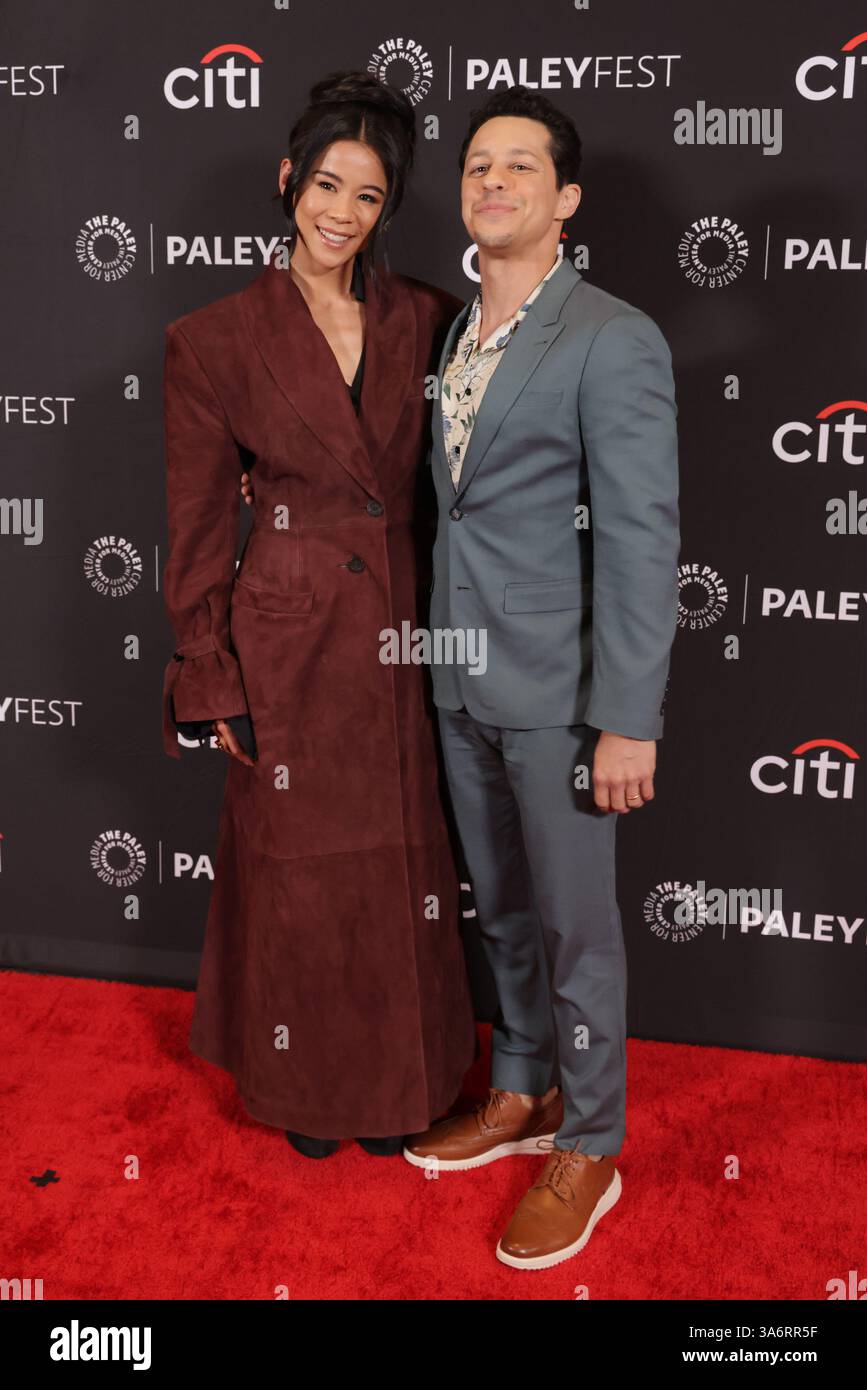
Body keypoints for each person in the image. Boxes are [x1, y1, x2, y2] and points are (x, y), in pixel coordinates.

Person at [160, 71, 476, 1160]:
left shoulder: (431, 317)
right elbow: (197, 523)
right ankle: (306, 1084)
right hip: (287, 632)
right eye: (326, 184)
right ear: (288, 180)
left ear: (390, 208)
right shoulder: (212, 340)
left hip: (402, 622)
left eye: (368, 195)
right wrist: (210, 673)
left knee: (399, 863)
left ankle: (404, 1080)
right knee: (298, 865)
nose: (340, 213)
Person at [396, 85, 681, 1271]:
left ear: (565, 199)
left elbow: (639, 541)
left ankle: (595, 1136)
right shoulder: (453, 332)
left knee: (576, 928)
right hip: (458, 678)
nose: (494, 181)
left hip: (564, 699)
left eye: (521, 167)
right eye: (476, 165)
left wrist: (627, 719)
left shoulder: (614, 337)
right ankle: (524, 1087)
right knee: (501, 911)